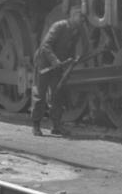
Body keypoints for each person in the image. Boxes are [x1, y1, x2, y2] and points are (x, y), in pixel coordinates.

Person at [32, 8, 84, 136]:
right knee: (40, 94)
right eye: (80, 17)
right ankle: (36, 126)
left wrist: (72, 59)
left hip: (58, 65)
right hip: (44, 62)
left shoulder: (77, 30)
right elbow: (45, 45)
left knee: (57, 94)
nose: (83, 20)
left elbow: (71, 48)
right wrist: (54, 60)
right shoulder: (59, 26)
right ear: (73, 16)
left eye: (84, 18)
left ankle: (56, 126)